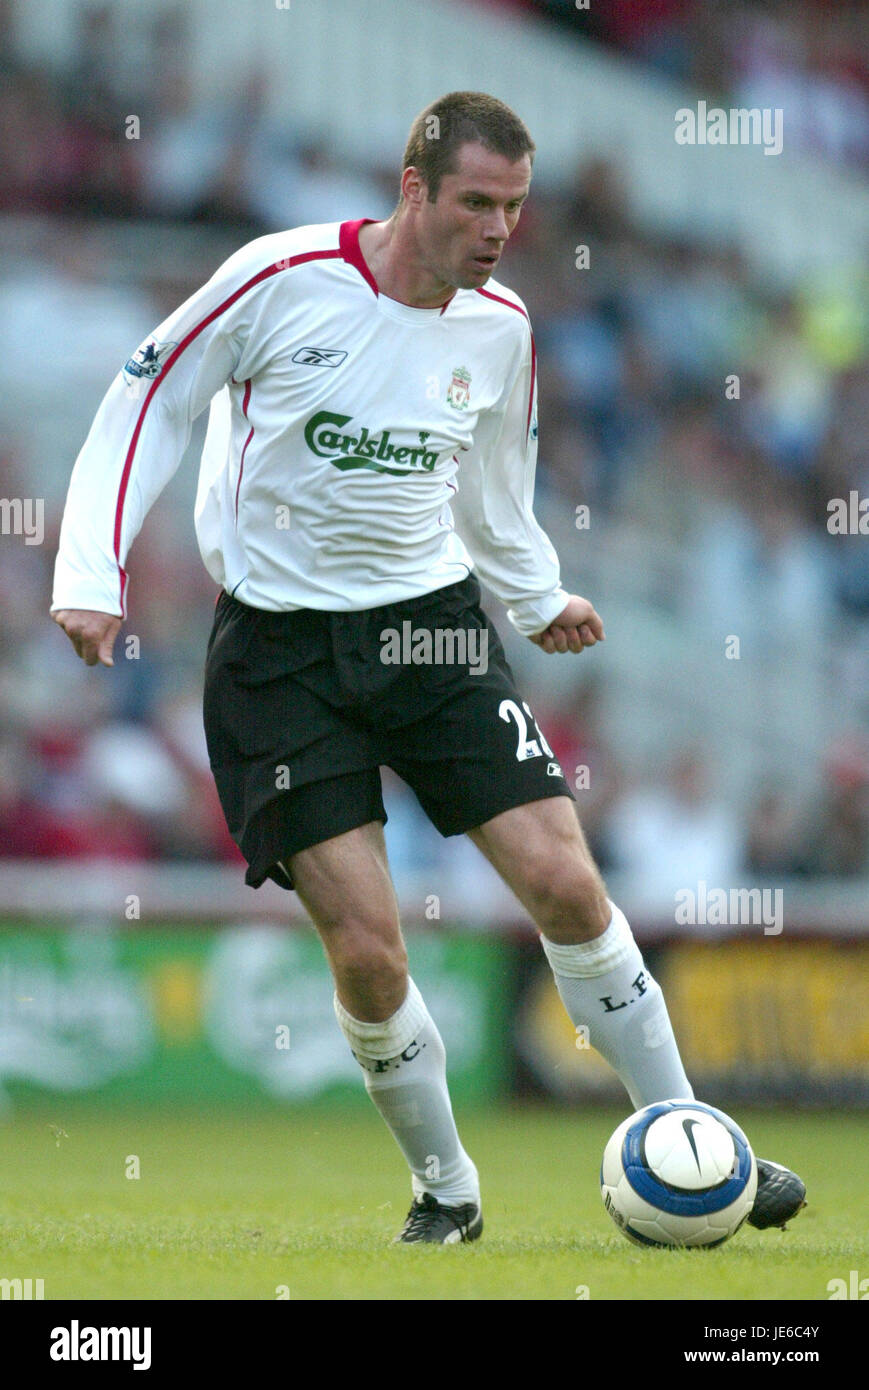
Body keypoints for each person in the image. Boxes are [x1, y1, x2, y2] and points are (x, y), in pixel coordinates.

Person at [50, 91, 805, 1242]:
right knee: (366, 944)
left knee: (563, 878)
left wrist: (536, 594)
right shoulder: (279, 277)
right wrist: (91, 569)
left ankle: (693, 1144)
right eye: (475, 203)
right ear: (413, 190)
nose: (499, 228)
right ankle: (447, 1191)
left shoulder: (500, 326)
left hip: (431, 630)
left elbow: (495, 487)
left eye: (514, 206)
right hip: (279, 653)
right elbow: (149, 395)